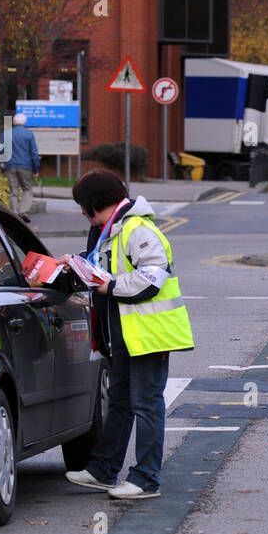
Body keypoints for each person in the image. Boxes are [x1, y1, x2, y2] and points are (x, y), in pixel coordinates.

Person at [64, 168, 194, 498]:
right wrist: (74, 268)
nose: (82, 212)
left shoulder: (137, 229)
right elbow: (102, 268)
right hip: (124, 334)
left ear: (97, 203)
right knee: (120, 402)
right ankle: (104, 470)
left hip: (149, 335)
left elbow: (152, 276)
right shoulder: (112, 231)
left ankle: (146, 479)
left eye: (83, 205)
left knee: (147, 404)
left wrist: (110, 286)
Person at [4, 113, 40, 223]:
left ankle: (14, 213)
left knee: (13, 190)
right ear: (24, 123)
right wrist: (36, 169)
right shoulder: (29, 135)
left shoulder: (6, 134)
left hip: (10, 165)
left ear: (13, 122)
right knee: (27, 189)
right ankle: (23, 211)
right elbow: (34, 153)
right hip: (25, 166)